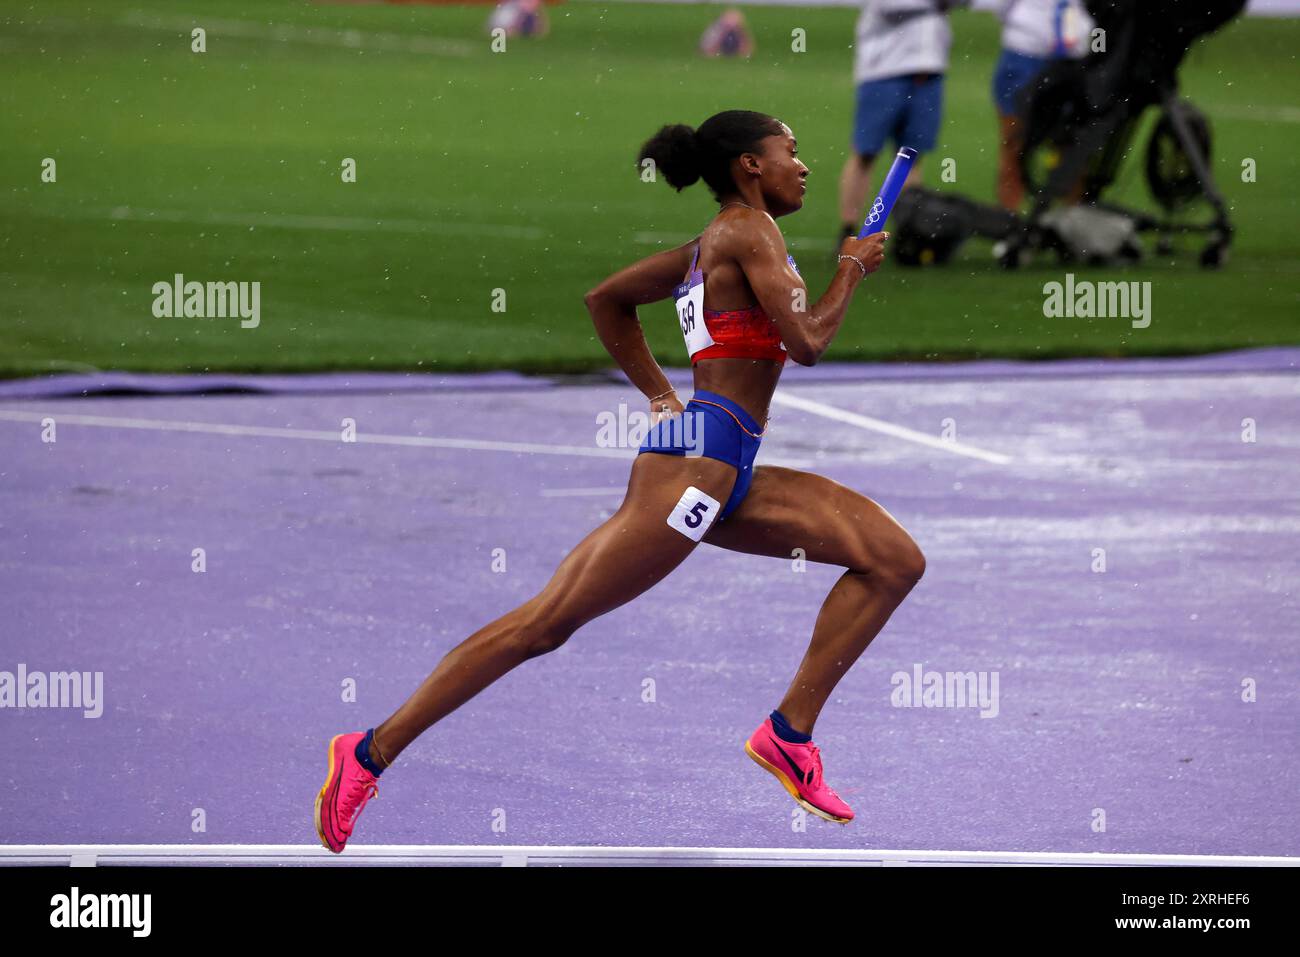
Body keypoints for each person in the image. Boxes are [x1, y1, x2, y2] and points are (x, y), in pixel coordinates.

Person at [315, 110, 925, 853]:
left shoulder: (713, 244)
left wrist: (662, 398)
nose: (803, 166)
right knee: (545, 624)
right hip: (692, 476)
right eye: (790, 153)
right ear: (749, 167)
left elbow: (606, 300)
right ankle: (370, 750)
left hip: (723, 465)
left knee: (892, 559)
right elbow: (809, 342)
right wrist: (853, 267)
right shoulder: (748, 232)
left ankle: (789, 732)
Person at [837, 0, 967, 249]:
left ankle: (909, 227)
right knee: (865, 152)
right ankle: (848, 228)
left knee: (911, 156)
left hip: (929, 70)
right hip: (884, 70)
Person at [992, 0, 1094, 210]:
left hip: (1073, 58)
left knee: (1074, 144)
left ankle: (1071, 223)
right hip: (1024, 52)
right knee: (1015, 140)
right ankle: (1009, 223)